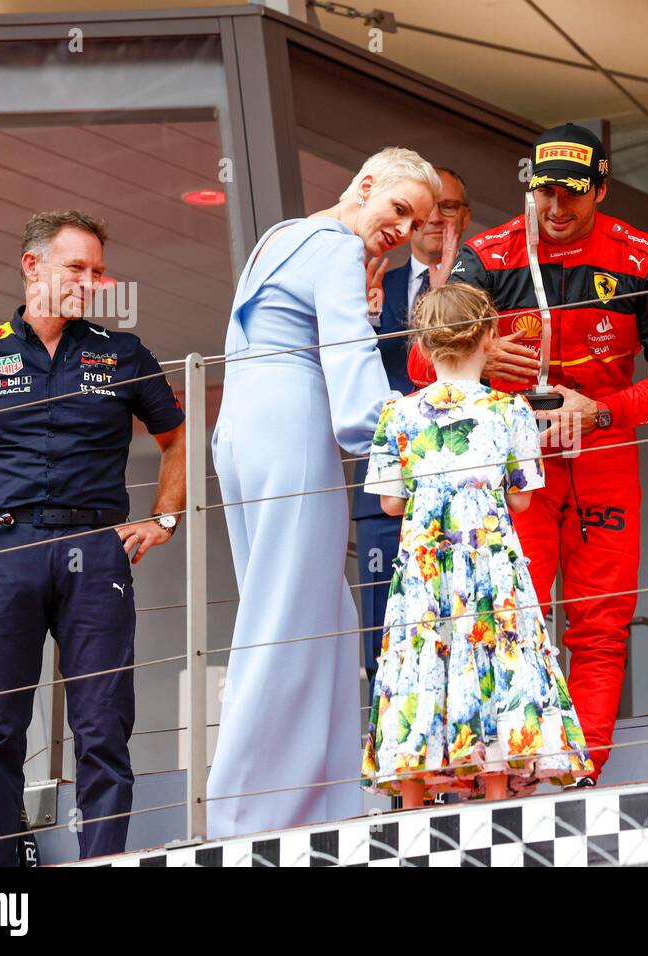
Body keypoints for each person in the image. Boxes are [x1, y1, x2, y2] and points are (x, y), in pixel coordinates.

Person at [0, 209, 186, 865]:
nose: (91, 280)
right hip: (2, 554)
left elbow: (176, 435)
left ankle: (100, 861)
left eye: (98, 271)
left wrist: (164, 516)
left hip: (97, 551)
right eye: (77, 267)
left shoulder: (121, 352)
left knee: (103, 727)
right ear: (33, 267)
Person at [408, 123, 648, 781]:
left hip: (603, 455)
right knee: (512, 615)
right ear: (529, 187)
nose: (556, 210)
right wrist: (475, 359)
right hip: (514, 465)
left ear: (601, 188)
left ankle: (580, 773)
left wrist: (602, 410)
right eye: (544, 193)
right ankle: (511, 770)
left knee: (600, 626)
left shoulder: (647, 258)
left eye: (572, 195)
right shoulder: (486, 255)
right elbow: (420, 365)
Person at [207, 148, 440, 838]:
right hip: (292, 428)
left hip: (241, 433)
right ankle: (248, 812)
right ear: (364, 185)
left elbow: (288, 330)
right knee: (289, 619)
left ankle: (322, 799)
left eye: (417, 222)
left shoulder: (281, 235)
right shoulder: (337, 247)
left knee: (316, 615)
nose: (403, 229)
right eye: (399, 208)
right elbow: (354, 399)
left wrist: (362, 321)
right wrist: (419, 435)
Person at [362, 283, 592, 808]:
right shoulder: (509, 411)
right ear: (489, 336)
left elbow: (391, 505)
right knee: (494, 654)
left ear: (420, 344)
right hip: (489, 562)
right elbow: (524, 501)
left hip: (424, 565)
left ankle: (413, 799)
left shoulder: (396, 415)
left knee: (418, 660)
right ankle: (493, 792)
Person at [352, 167, 472, 681]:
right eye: (427, 210)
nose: (436, 220)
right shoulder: (372, 284)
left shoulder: (483, 287)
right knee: (386, 641)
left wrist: (448, 297)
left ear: (465, 218)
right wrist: (360, 321)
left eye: (450, 207)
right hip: (391, 487)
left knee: (468, 632)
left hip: (469, 484)